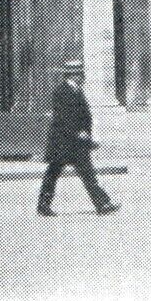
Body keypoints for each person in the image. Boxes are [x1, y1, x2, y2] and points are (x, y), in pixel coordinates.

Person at [37, 61, 118, 217]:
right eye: (80, 73)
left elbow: (82, 116)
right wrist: (78, 132)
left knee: (87, 173)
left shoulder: (76, 90)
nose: (82, 76)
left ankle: (102, 203)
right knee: (54, 173)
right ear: (73, 75)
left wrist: (85, 135)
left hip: (75, 143)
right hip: (63, 142)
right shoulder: (61, 91)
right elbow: (62, 118)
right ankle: (43, 205)